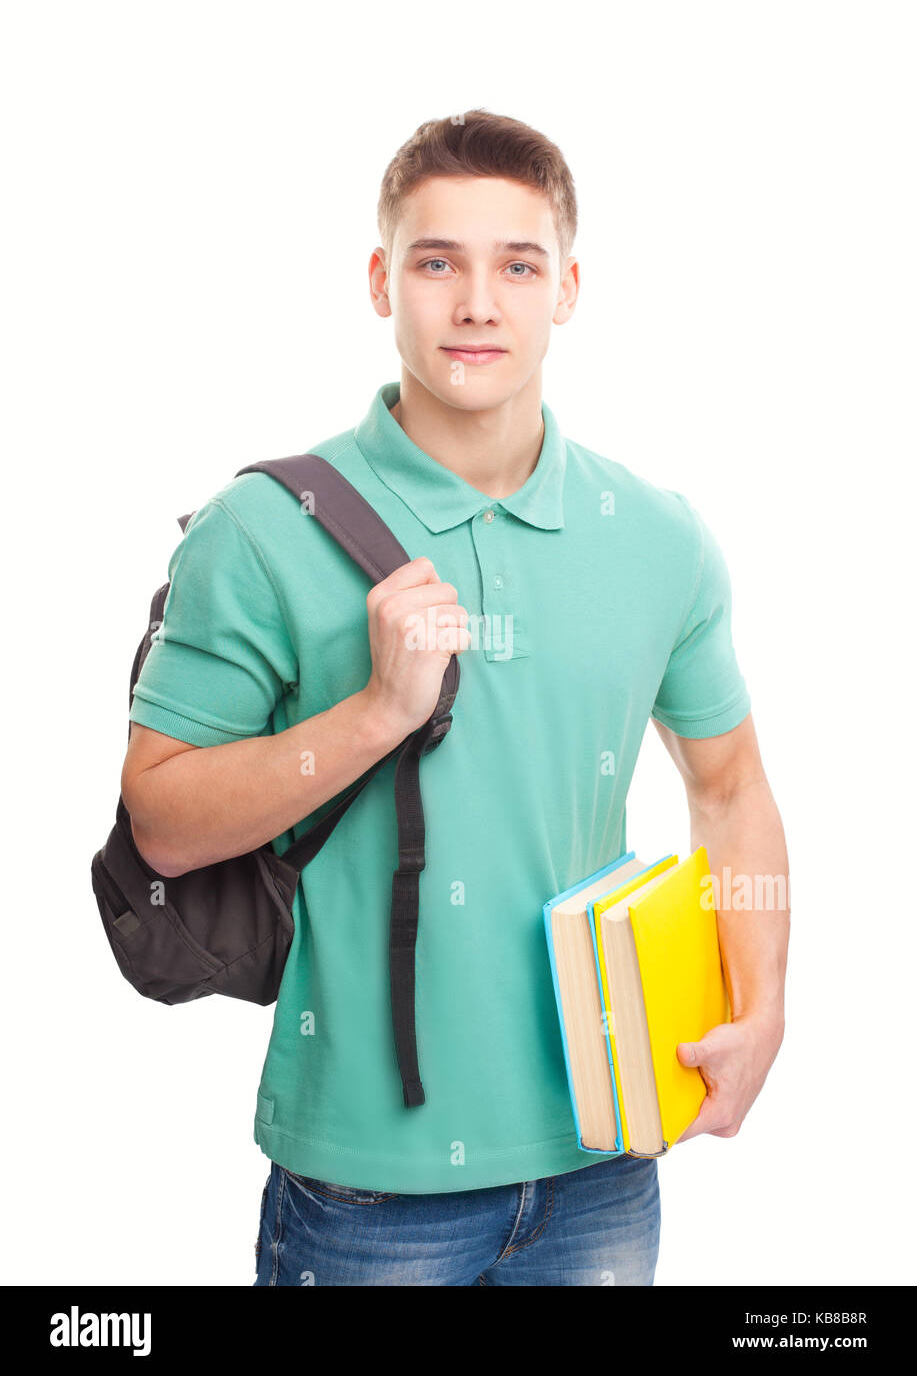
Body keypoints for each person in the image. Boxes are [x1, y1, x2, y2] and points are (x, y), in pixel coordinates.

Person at [120, 109, 789, 1286]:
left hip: (606, 1151)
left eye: (516, 265)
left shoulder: (657, 537)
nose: (476, 302)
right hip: (366, 1190)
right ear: (382, 280)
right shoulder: (264, 531)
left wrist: (764, 1004)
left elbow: (727, 786)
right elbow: (161, 822)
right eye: (437, 262)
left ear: (566, 289)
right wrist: (375, 711)